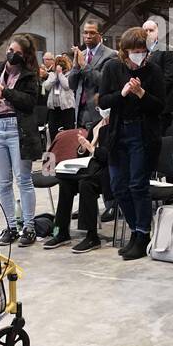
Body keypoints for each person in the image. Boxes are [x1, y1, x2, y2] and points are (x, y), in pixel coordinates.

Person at [98, 27, 167, 260]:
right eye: (135, 51)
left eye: (143, 51)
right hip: (118, 131)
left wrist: (141, 94)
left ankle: (142, 234)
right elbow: (104, 99)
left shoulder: (153, 70)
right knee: (118, 185)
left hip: (142, 132)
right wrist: (124, 93)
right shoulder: (112, 67)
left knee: (138, 185)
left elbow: (160, 106)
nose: (140, 55)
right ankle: (136, 229)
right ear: (124, 51)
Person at [0, 36, 42, 245]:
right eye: (9, 49)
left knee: (23, 179)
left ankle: (29, 227)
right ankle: (10, 226)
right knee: (3, 182)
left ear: (24, 55)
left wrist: (5, 92)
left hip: (19, 128)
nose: (11, 54)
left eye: (15, 51)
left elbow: (29, 103)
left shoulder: (30, 75)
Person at [43, 108, 112, 253]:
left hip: (109, 171)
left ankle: (92, 236)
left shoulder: (116, 126)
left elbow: (110, 156)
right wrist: (82, 148)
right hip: (91, 167)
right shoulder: (96, 125)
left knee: (86, 183)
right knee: (66, 181)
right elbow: (83, 154)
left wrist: (92, 149)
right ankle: (62, 231)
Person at [69, 18, 117, 128]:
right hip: (79, 111)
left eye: (92, 33)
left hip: (98, 111)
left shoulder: (110, 55)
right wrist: (76, 67)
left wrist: (84, 66)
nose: (88, 36)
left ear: (100, 35)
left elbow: (104, 81)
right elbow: (72, 85)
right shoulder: (82, 54)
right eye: (85, 32)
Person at [144, 19, 173, 126]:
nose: (148, 33)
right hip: (142, 104)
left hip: (161, 103)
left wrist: (149, 95)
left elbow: (168, 79)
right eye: (145, 30)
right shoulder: (139, 50)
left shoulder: (167, 50)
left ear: (157, 32)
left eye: (151, 30)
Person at [42, 55, 77, 136]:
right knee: (53, 131)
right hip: (54, 108)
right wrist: (55, 77)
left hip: (67, 108)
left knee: (67, 132)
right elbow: (46, 86)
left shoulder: (70, 74)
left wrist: (60, 74)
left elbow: (67, 86)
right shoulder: (51, 74)